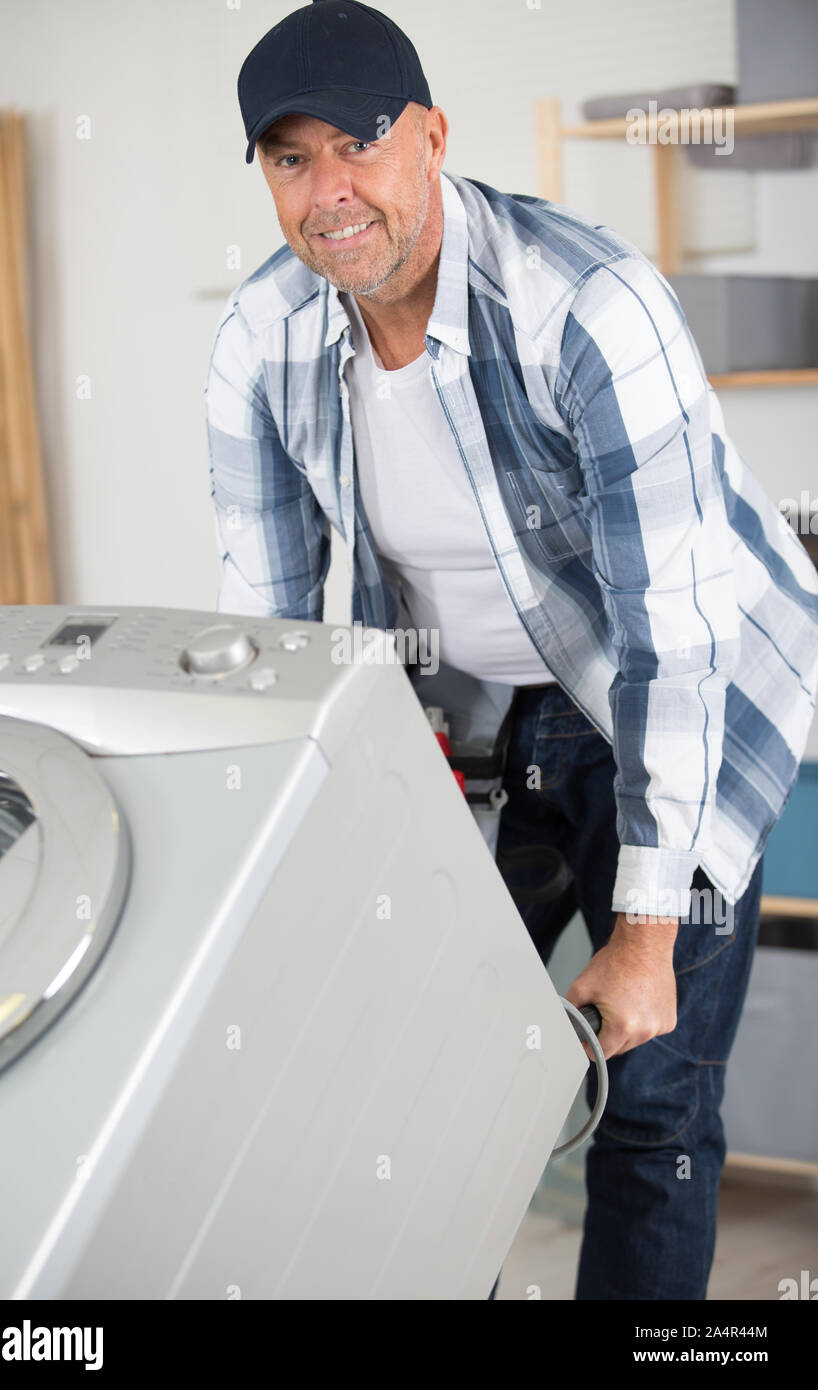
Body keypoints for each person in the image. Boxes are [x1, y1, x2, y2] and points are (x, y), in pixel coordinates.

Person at [205, 0, 818, 1299]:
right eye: (291, 158)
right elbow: (272, 646)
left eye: (358, 143)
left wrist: (644, 931)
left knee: (648, 1115)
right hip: (475, 709)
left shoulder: (586, 307)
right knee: (422, 1103)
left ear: (431, 135)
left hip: (686, 689)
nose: (332, 191)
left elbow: (672, 629)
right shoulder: (259, 344)